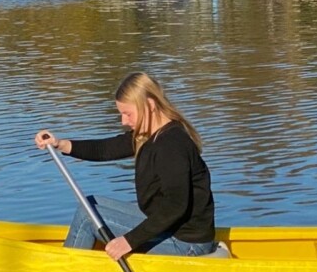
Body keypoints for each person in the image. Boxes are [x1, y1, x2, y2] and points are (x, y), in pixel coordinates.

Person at [34, 72, 217, 260]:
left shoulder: (171, 145)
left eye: (127, 114)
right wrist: (60, 144)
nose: (123, 121)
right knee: (90, 205)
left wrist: (129, 241)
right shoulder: (148, 135)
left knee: (88, 217)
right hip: (168, 228)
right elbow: (104, 149)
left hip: (187, 245)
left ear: (150, 105)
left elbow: (176, 206)